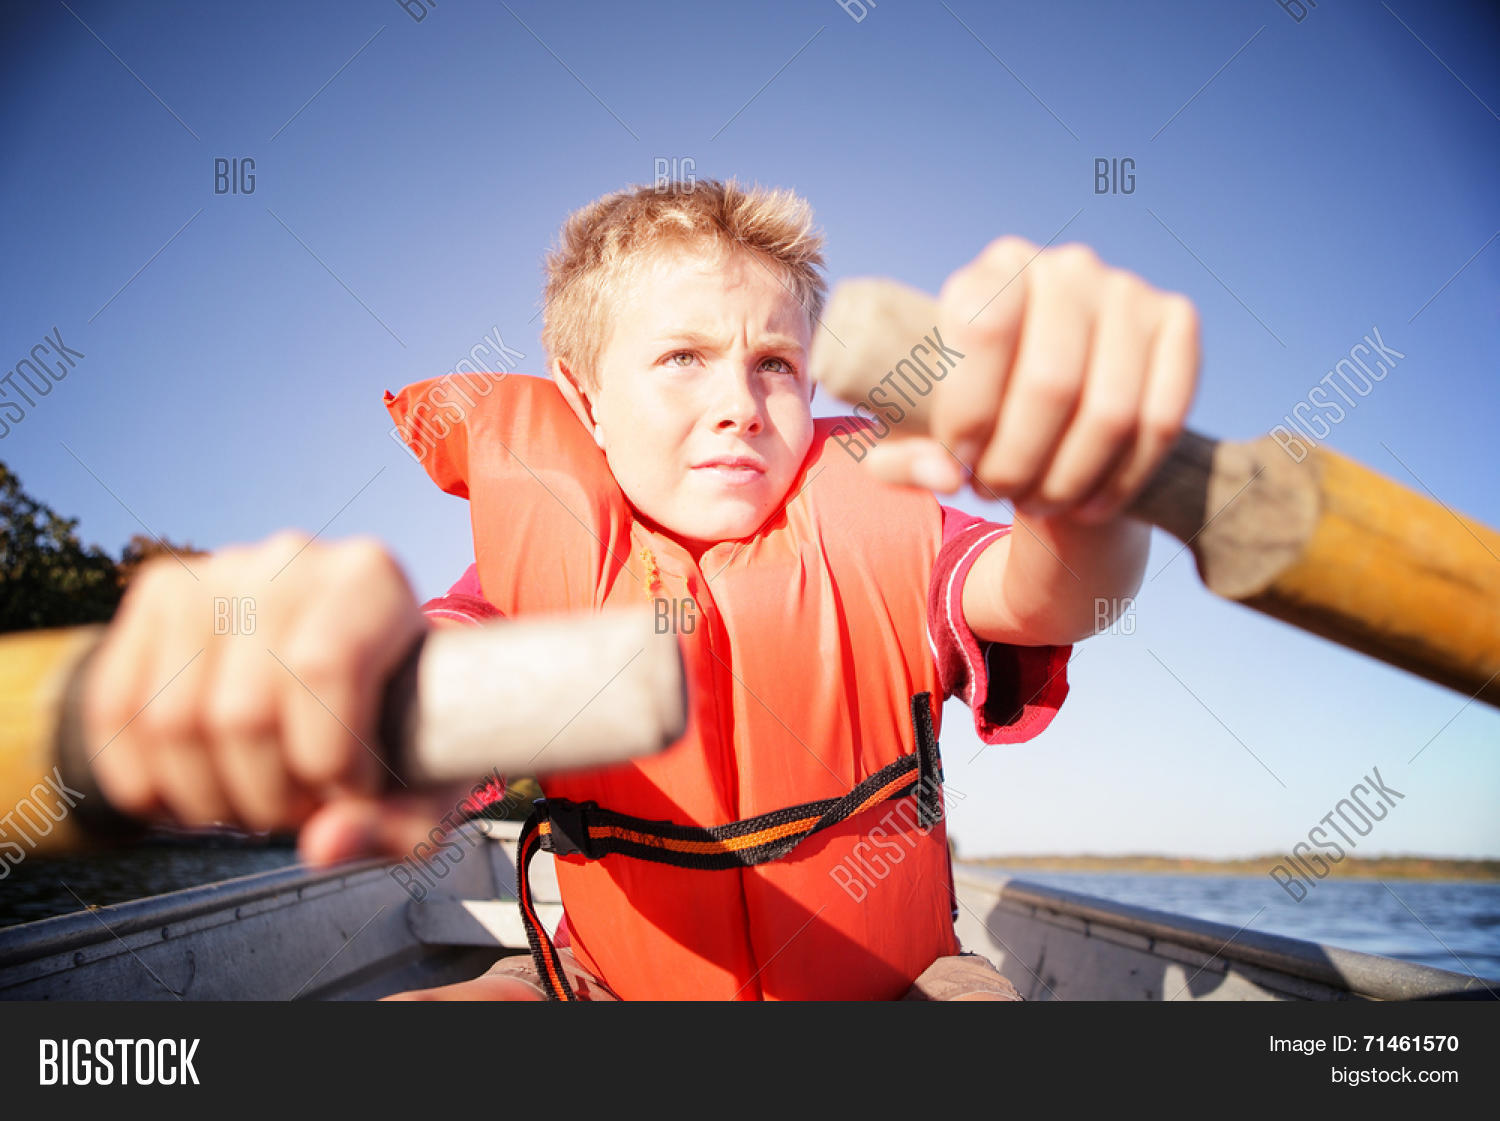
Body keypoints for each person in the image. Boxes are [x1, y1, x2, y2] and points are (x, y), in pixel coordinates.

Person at [81, 178, 1198, 1000]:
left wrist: (1090, 496)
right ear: (584, 397)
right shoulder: (529, 576)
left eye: (774, 364)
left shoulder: (881, 515)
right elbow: (402, 709)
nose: (741, 404)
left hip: (901, 977)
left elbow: (1060, 598)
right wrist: (292, 682)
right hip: (608, 983)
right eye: (682, 358)